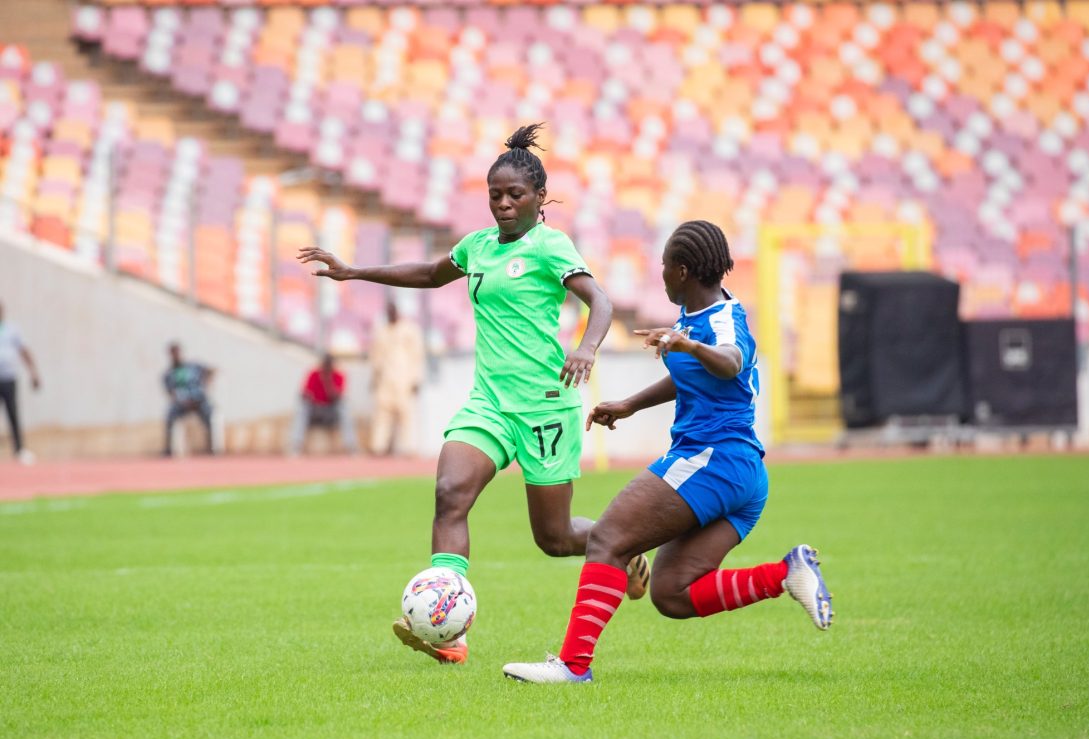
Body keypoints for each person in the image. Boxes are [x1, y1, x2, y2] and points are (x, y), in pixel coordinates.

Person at [297, 124, 647, 666]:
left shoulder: (550, 246)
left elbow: (599, 300)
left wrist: (586, 347)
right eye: (495, 195)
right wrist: (356, 271)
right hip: (488, 404)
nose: (503, 205)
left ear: (539, 198)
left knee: (554, 539)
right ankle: (448, 633)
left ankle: (621, 548)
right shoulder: (477, 246)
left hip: (544, 407)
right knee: (450, 493)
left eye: (515, 195)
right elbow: (429, 273)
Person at [502, 220, 833, 684]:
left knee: (607, 539)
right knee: (672, 592)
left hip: (714, 459)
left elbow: (731, 362)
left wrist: (688, 344)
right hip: (738, 471)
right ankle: (784, 573)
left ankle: (573, 666)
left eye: (663, 266)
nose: (659, 275)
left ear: (681, 271)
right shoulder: (693, 317)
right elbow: (692, 377)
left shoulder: (721, 320)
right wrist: (630, 405)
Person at [369, 301, 425, 456]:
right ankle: (378, 447)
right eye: (388, 312)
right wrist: (374, 378)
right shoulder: (381, 331)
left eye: (392, 311)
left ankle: (409, 448)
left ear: (397, 312)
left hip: (404, 379)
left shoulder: (410, 329)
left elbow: (417, 355)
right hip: (385, 380)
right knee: (382, 415)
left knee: (406, 415)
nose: (391, 314)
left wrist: (416, 378)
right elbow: (376, 357)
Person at [289, 353, 359, 455]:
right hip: (315, 411)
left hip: (331, 412)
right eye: (325, 365)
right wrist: (307, 396)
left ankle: (351, 447)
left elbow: (337, 398)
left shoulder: (339, 376)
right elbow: (304, 394)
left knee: (344, 407)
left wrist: (327, 381)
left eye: (328, 366)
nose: (326, 368)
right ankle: (295, 445)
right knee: (302, 408)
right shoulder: (314, 374)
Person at [0, 301, 41, 464]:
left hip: (9, 377)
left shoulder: (12, 330)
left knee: (13, 413)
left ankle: (19, 449)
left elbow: (23, 350)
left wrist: (33, 372)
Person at [162, 342, 215, 456]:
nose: (176, 355)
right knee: (170, 415)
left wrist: (206, 386)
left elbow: (211, 371)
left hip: (199, 401)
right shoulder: (168, 374)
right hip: (182, 404)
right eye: (173, 353)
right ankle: (168, 450)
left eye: (178, 352)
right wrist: (182, 401)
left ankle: (212, 448)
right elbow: (171, 393)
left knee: (209, 414)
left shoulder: (194, 366)